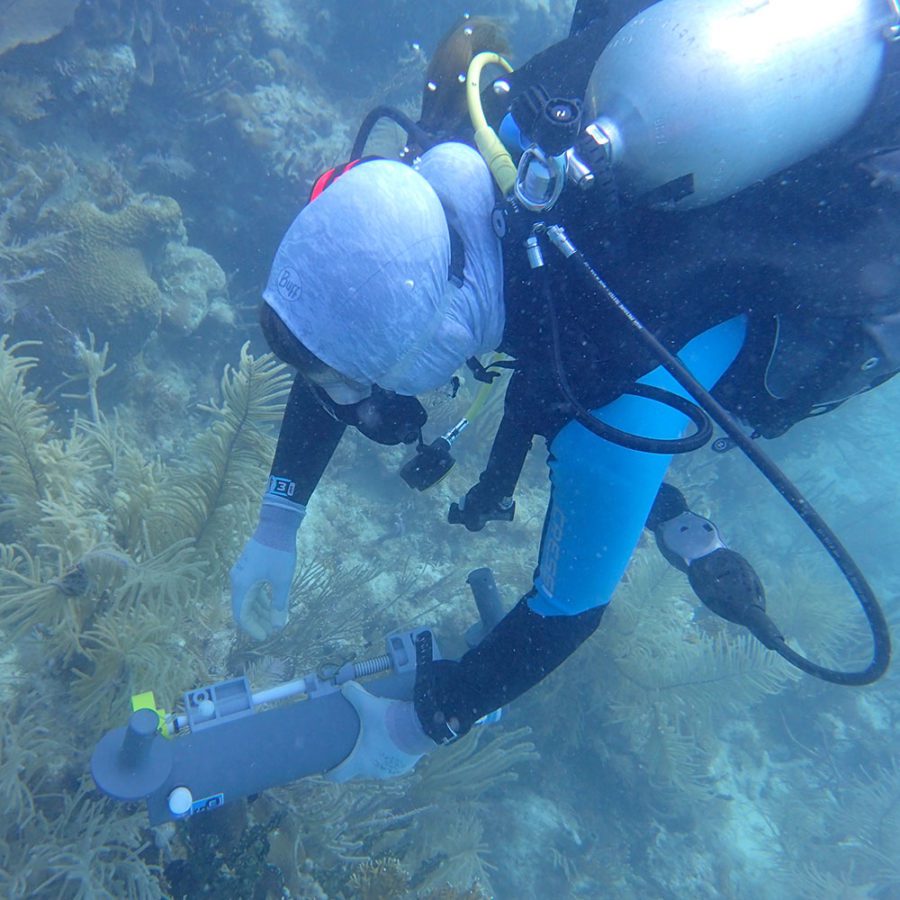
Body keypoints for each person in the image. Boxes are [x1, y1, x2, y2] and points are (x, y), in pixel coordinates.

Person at [230, 0, 900, 781]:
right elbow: (345, 320)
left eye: (372, 393)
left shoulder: (610, 399)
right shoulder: (482, 146)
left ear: (438, 348)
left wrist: (418, 727)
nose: (361, 409)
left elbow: (567, 610)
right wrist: (277, 520)